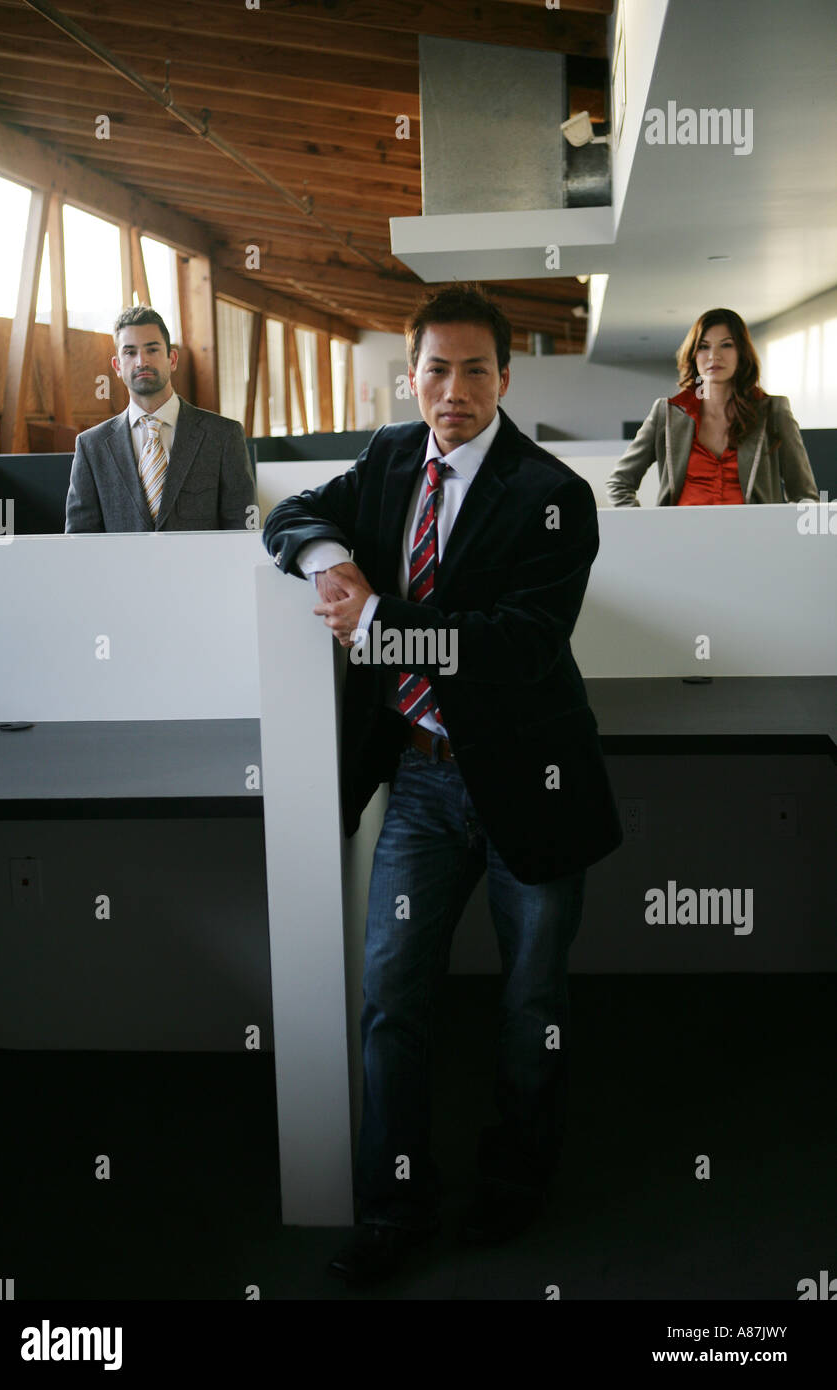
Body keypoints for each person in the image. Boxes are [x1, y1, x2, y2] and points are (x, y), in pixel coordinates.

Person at [262, 284, 623, 1286]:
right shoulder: (386, 459)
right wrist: (331, 562)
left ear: (504, 378)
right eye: (434, 368)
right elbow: (290, 512)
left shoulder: (552, 492)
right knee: (391, 996)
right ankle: (394, 1207)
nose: (451, 388)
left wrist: (381, 626)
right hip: (420, 781)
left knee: (526, 1001)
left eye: (473, 369)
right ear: (409, 375)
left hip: (528, 783)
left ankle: (514, 1184)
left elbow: (517, 642)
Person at [65, 306, 257, 532]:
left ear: (172, 359)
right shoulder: (91, 446)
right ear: (117, 366)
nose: (141, 361)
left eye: (152, 350)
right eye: (130, 352)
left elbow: (243, 532)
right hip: (123, 568)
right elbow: (80, 540)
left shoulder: (223, 436)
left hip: (201, 567)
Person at [605, 307, 819, 507]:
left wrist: (785, 536)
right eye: (703, 346)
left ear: (741, 352)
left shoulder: (772, 411)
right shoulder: (667, 413)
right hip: (683, 542)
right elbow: (619, 483)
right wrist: (649, 528)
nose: (713, 356)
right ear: (693, 354)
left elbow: (805, 495)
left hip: (754, 541)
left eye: (726, 345)